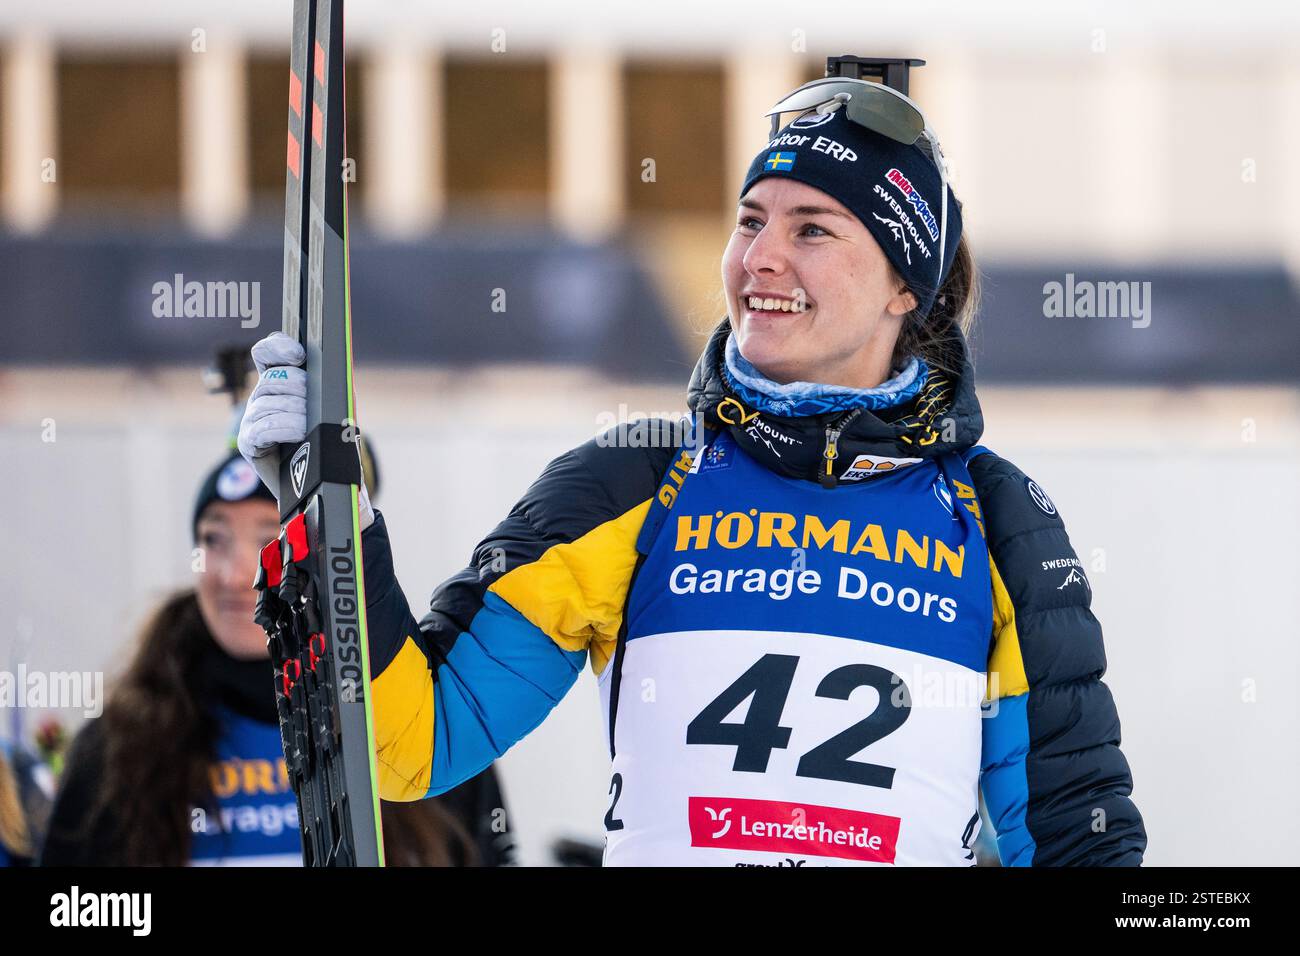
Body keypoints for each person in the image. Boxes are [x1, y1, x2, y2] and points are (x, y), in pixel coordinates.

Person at [238, 76, 1146, 867]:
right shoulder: (633, 478)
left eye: (813, 229)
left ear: (906, 285)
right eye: (750, 221)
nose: (760, 259)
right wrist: (329, 520)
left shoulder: (994, 515)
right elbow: (408, 741)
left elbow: (1076, 838)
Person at [42, 451, 514, 866]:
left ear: (332, 563)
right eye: (214, 539)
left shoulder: (417, 718)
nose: (233, 574)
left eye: (269, 540)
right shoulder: (122, 747)